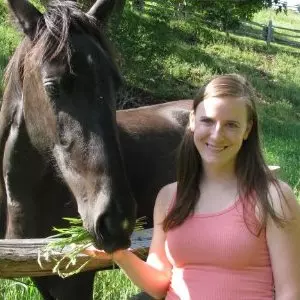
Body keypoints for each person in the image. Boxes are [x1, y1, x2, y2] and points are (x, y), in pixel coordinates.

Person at [84, 74, 300, 299]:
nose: (217, 135)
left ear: (247, 130)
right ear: (193, 121)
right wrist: (119, 254)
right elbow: (160, 283)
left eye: (231, 125)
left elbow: (290, 292)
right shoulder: (169, 198)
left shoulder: (273, 198)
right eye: (208, 121)